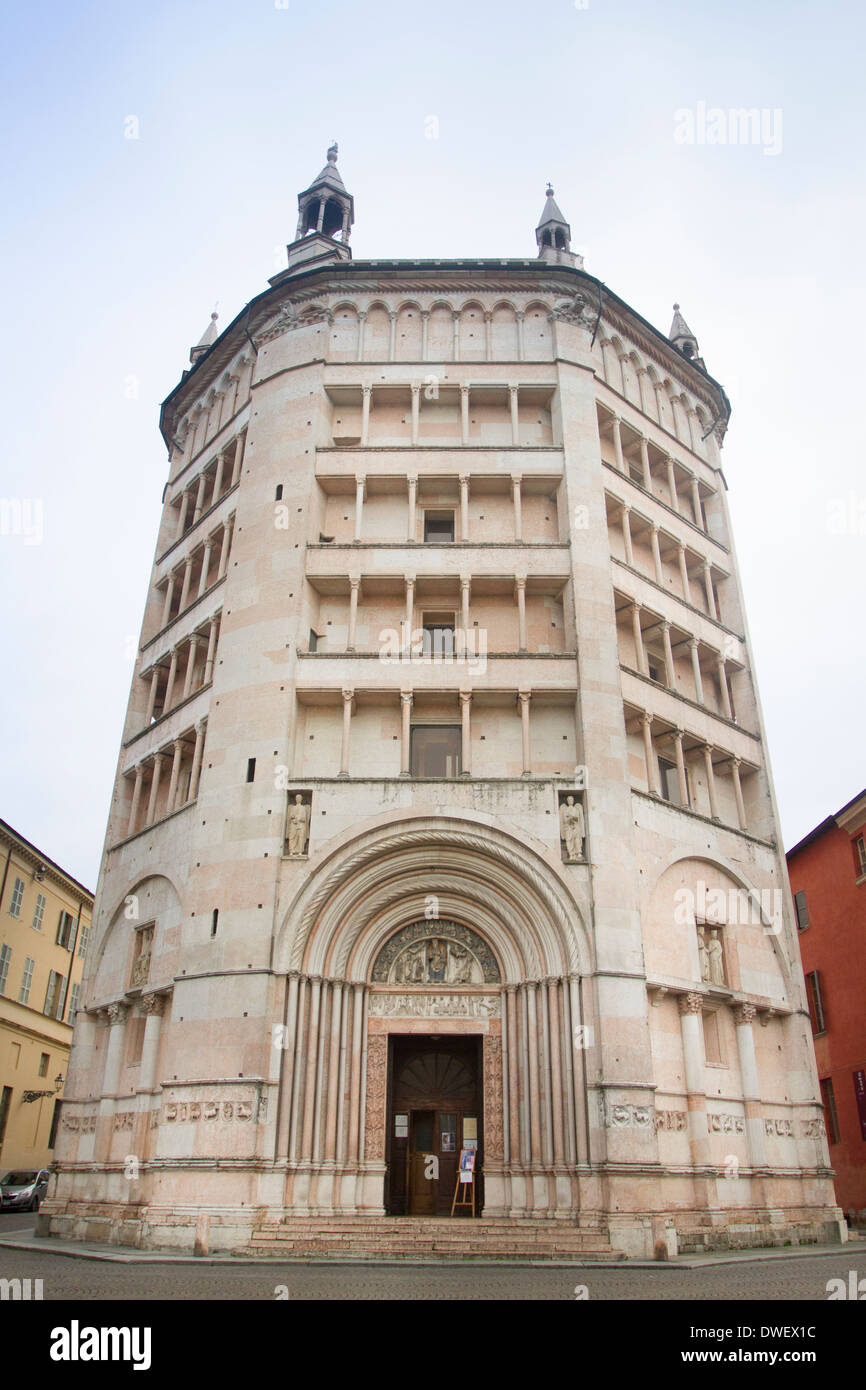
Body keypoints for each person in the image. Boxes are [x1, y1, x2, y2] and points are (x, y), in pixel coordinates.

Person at [559, 794, 585, 859]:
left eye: (572, 800)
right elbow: (564, 820)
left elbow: (578, 818)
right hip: (568, 828)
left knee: (577, 840)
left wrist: (571, 817)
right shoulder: (565, 809)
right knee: (569, 840)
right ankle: (571, 854)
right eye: (569, 800)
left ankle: (578, 853)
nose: (571, 801)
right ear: (567, 801)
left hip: (575, 827)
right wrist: (570, 818)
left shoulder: (576, 809)